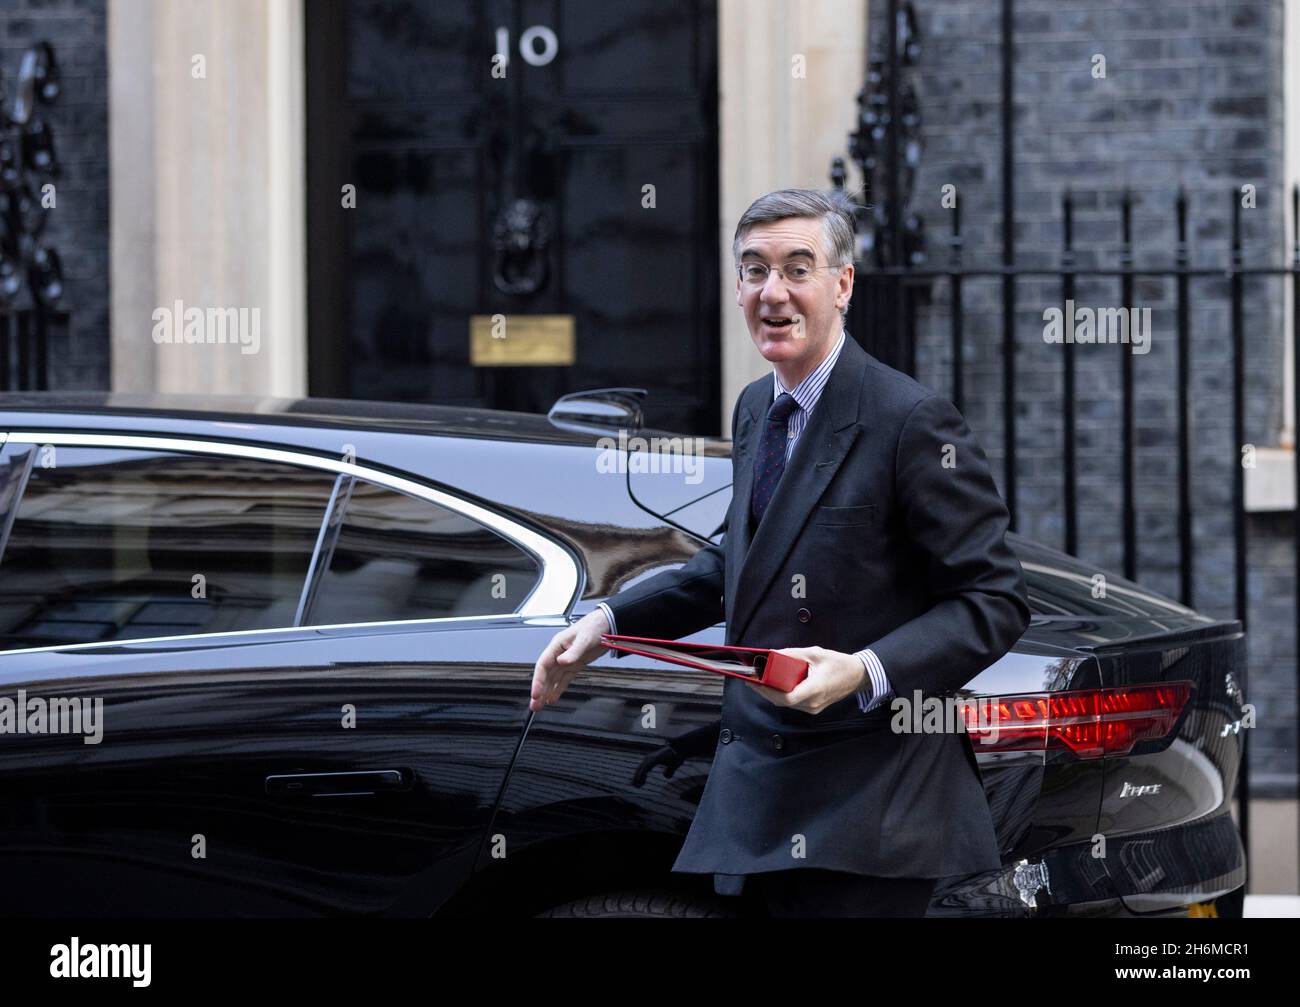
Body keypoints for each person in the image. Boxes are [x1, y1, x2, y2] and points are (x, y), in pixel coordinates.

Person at [530, 187, 1031, 917]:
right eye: (755, 269)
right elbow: (737, 562)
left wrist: (864, 669)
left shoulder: (912, 420)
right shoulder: (754, 408)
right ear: (736, 286)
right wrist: (607, 625)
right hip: (760, 802)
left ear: (843, 283)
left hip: (873, 819)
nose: (774, 291)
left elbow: (995, 599)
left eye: (798, 268)